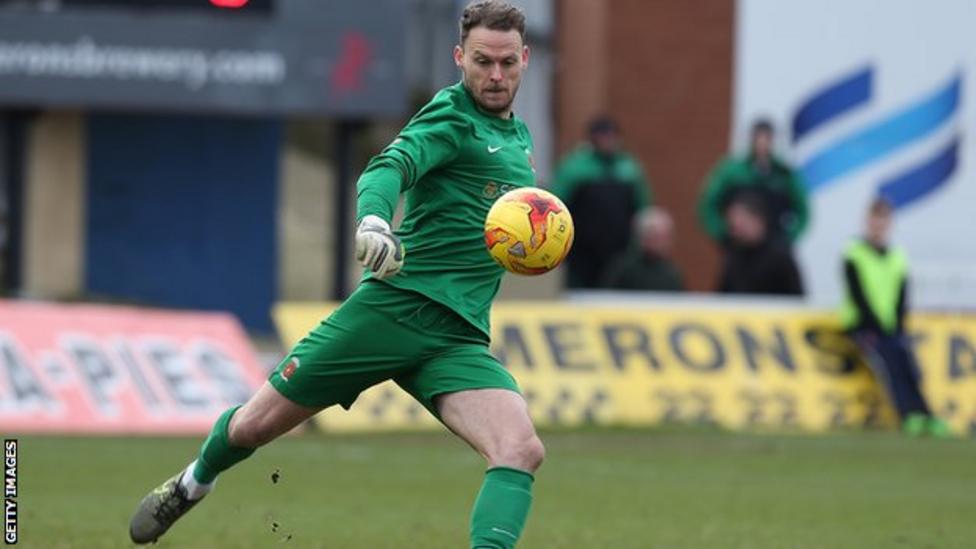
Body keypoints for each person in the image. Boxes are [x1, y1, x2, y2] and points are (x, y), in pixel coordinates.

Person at [129, 3, 544, 547]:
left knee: (519, 449)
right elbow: (389, 166)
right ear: (459, 57)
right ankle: (192, 483)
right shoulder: (451, 118)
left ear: (525, 59)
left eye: (507, 63)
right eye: (483, 61)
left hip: (457, 335)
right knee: (254, 425)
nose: (495, 75)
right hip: (394, 311)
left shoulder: (519, 138)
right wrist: (374, 220)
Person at [840, 197, 949, 437]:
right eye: (875, 219)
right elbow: (859, 296)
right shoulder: (854, 253)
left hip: (890, 328)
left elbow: (901, 297)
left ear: (889, 223)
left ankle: (926, 415)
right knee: (889, 366)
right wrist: (877, 326)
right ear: (867, 221)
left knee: (909, 365)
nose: (878, 225)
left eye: (883, 220)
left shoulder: (897, 257)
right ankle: (907, 415)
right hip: (863, 326)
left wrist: (897, 326)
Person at [551, 115, 652, 288]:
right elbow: (556, 205)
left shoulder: (629, 168)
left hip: (620, 252)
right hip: (580, 252)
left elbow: (643, 208)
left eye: (612, 136)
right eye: (603, 136)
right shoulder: (574, 168)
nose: (608, 141)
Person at [698, 118, 809, 246]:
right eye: (758, 138)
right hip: (739, 245)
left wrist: (788, 237)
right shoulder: (732, 172)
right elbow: (709, 203)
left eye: (767, 138)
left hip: (773, 246)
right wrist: (723, 233)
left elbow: (803, 210)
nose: (762, 143)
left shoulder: (784, 174)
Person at [717, 192, 804, 296]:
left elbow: (797, 297)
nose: (736, 231)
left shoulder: (779, 256)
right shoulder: (734, 255)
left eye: (742, 224)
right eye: (733, 226)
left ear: (758, 221)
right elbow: (722, 297)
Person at [600, 207, 684, 291]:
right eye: (657, 236)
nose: (663, 242)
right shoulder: (622, 269)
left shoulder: (671, 273)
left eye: (666, 237)